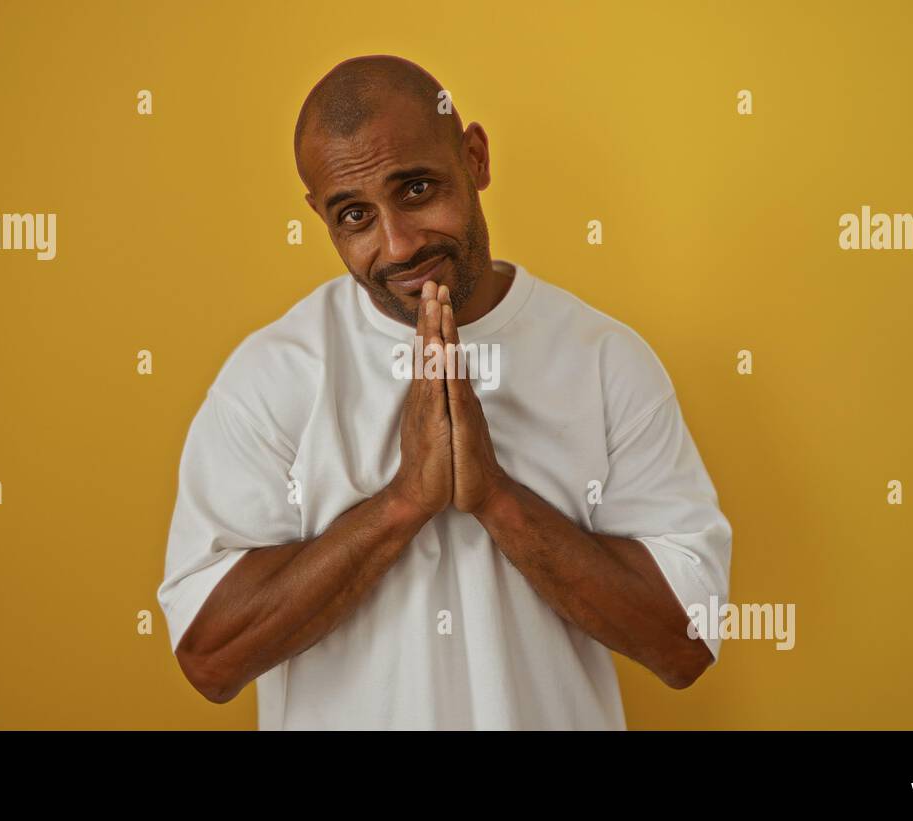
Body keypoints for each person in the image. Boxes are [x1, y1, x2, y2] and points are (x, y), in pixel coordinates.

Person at [157, 54, 733, 729]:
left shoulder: (606, 359)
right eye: (353, 217)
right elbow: (210, 657)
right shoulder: (271, 375)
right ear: (320, 216)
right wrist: (403, 504)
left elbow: (685, 642)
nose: (398, 244)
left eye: (418, 189)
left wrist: (495, 497)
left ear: (476, 158)